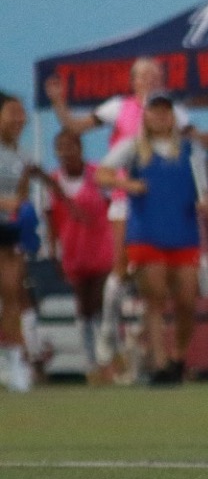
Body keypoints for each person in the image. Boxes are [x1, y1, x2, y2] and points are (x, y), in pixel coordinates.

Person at [96, 96, 208, 385]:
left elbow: (203, 188)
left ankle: (178, 356)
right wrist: (128, 184)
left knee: (187, 300)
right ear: (146, 117)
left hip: (183, 232)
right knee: (155, 297)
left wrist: (205, 203)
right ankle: (160, 363)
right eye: (155, 112)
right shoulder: (133, 148)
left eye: (166, 112)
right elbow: (102, 174)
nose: (161, 117)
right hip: (147, 232)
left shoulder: (189, 150)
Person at [39, 129, 116, 374]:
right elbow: (50, 222)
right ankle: (91, 359)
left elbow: (113, 210)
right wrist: (53, 253)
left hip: (102, 247)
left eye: (71, 145)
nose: (66, 152)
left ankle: (110, 355)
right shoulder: (51, 183)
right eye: (61, 147)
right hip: (73, 251)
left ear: (81, 148)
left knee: (103, 300)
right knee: (84, 305)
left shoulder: (98, 175)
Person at [0, 93, 31, 392]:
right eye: (12, 112)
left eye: (22, 113)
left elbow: (22, 196)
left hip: (9, 233)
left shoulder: (22, 155)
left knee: (12, 295)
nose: (19, 119)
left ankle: (15, 362)